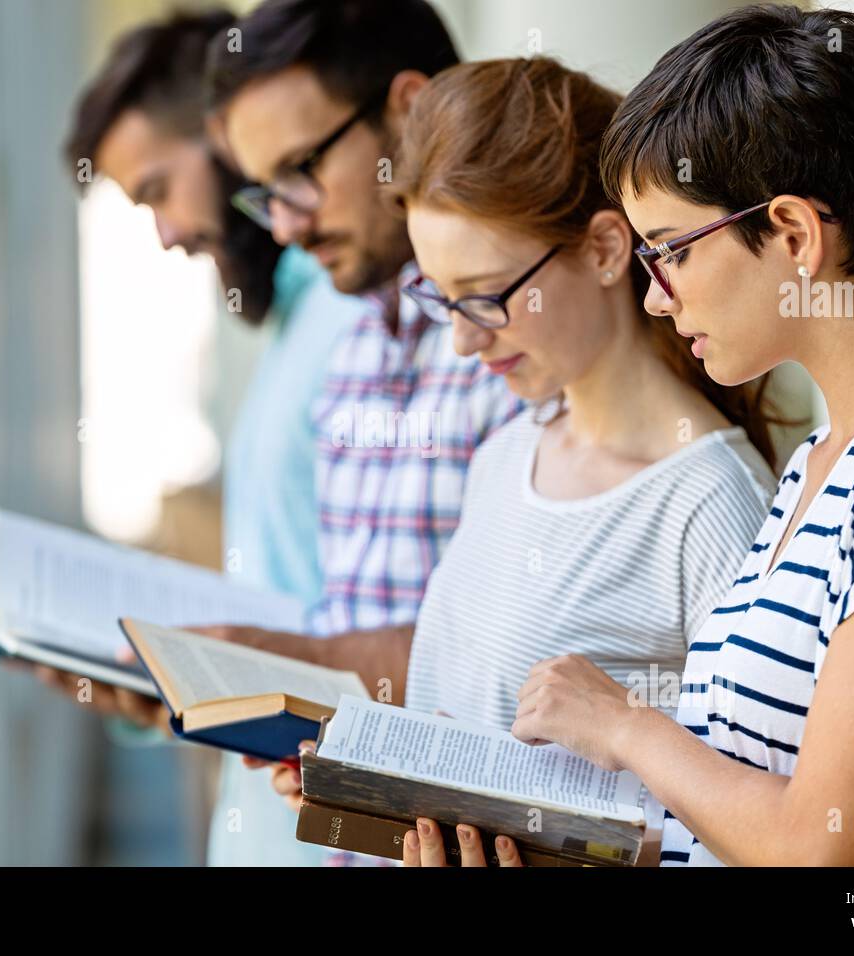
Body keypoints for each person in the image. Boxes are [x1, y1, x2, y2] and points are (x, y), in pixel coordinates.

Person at [495, 4, 854, 867]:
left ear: (792, 234)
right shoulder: (828, 463)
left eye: (669, 250)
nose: (655, 299)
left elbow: (823, 852)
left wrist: (626, 727)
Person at [253, 55, 782, 865]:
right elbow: (471, 733)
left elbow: (757, 832)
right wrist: (369, 780)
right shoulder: (505, 457)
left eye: (487, 297)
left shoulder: (713, 504)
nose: (462, 341)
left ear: (607, 250)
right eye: (441, 298)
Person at [31, 10, 367, 865]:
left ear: (227, 140)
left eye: (156, 189)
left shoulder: (364, 312)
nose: (167, 232)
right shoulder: (300, 315)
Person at [194, 0, 521, 864]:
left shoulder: (520, 346)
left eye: (301, 170)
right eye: (265, 191)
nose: (287, 226)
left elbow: (532, 666)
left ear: (408, 108)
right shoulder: (352, 353)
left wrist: (292, 661)